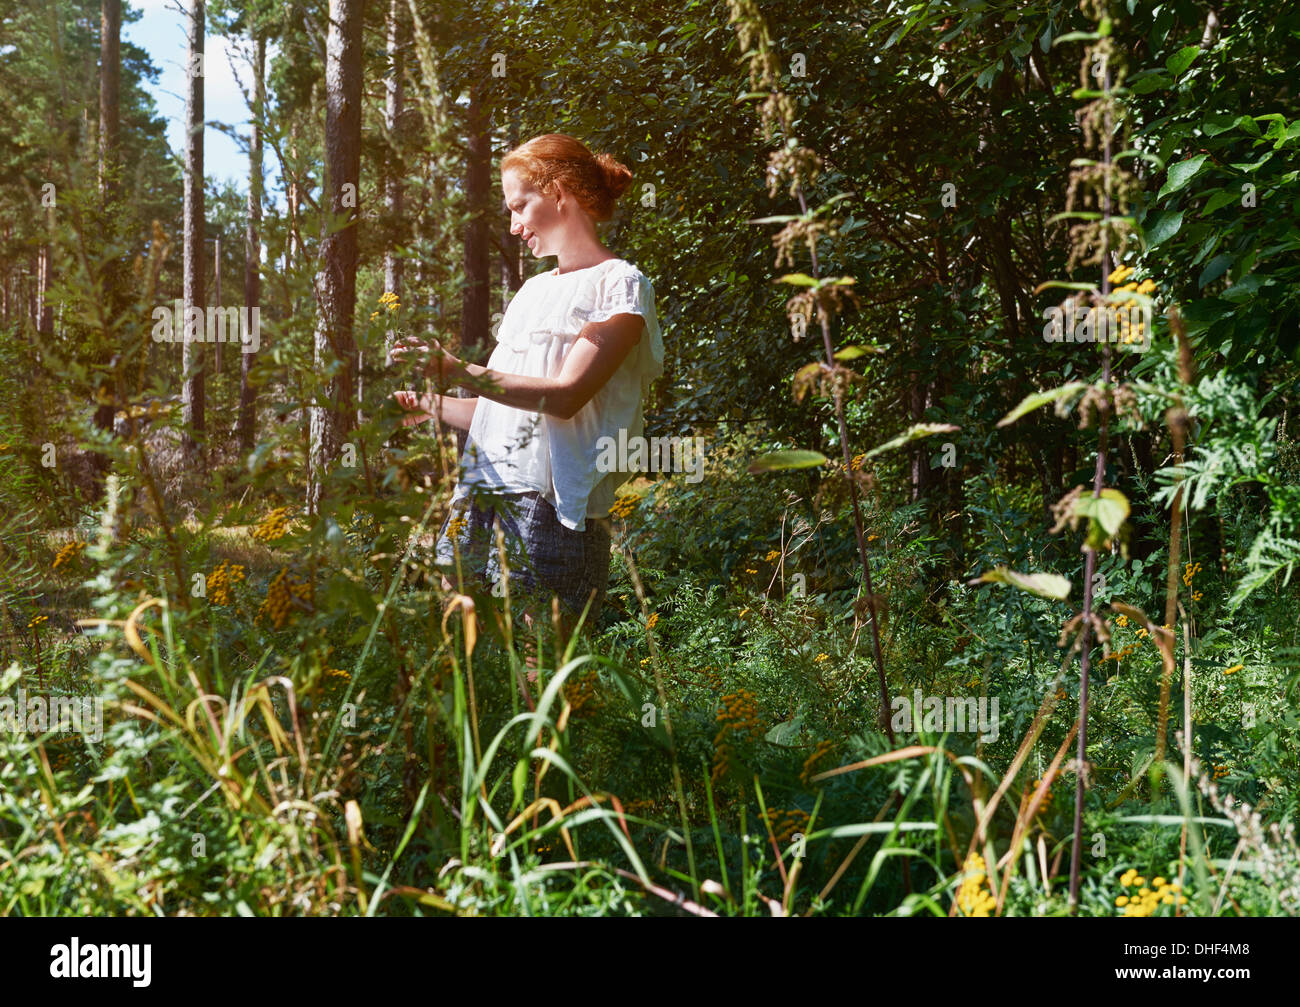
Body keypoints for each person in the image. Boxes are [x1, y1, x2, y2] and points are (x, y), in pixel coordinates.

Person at [391, 133, 663, 649]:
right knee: (468, 655)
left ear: (559, 191)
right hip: (486, 490)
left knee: (545, 668)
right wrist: (430, 404)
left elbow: (565, 395)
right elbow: (500, 417)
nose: (514, 226)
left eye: (520, 206)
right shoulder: (533, 290)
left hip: (552, 503)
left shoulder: (621, 284)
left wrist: (457, 369)